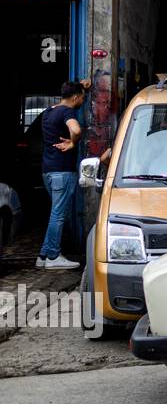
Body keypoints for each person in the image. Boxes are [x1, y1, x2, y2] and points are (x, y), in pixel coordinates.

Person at [38, 80, 88, 270]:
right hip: (62, 171)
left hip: (48, 171)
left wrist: (83, 85)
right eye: (82, 98)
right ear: (75, 98)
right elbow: (76, 129)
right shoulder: (68, 112)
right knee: (58, 215)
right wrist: (73, 142)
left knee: (55, 213)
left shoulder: (49, 112)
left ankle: (43, 255)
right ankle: (52, 256)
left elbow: (75, 90)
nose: (83, 100)